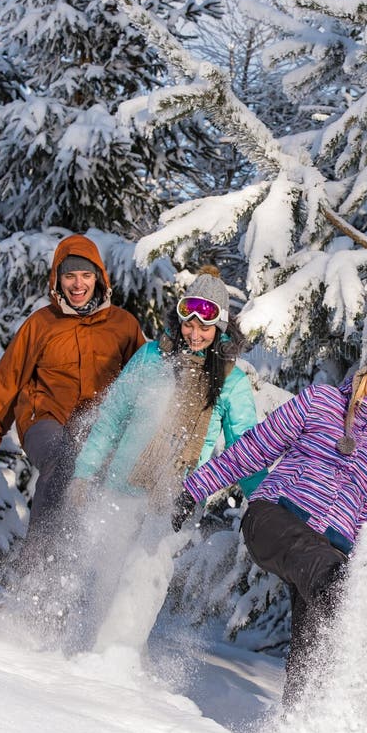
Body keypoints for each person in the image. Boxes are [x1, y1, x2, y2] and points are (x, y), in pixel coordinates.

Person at [172, 326, 367, 706]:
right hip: (275, 518)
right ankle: (338, 590)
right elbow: (255, 449)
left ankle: (299, 730)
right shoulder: (320, 402)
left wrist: (363, 570)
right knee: (329, 577)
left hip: (330, 552)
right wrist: (195, 489)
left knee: (317, 645)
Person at [69, 266, 266, 651]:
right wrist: (84, 471)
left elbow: (246, 449)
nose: (194, 333)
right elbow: (112, 417)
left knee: (146, 571)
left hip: (177, 497)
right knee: (107, 570)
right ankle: (86, 645)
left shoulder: (230, 381)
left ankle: (118, 657)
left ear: (220, 328)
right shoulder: (150, 357)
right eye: (188, 323)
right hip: (122, 483)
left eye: (205, 327)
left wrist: (262, 498)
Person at [0, 234, 145, 556]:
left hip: (101, 429)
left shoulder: (123, 325)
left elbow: (147, 380)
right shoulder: (41, 324)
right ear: (58, 279)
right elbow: (6, 382)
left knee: (107, 481)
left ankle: (87, 573)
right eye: (70, 275)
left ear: (98, 278)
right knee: (65, 460)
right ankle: (38, 567)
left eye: (86, 275)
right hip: (46, 420)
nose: (78, 284)